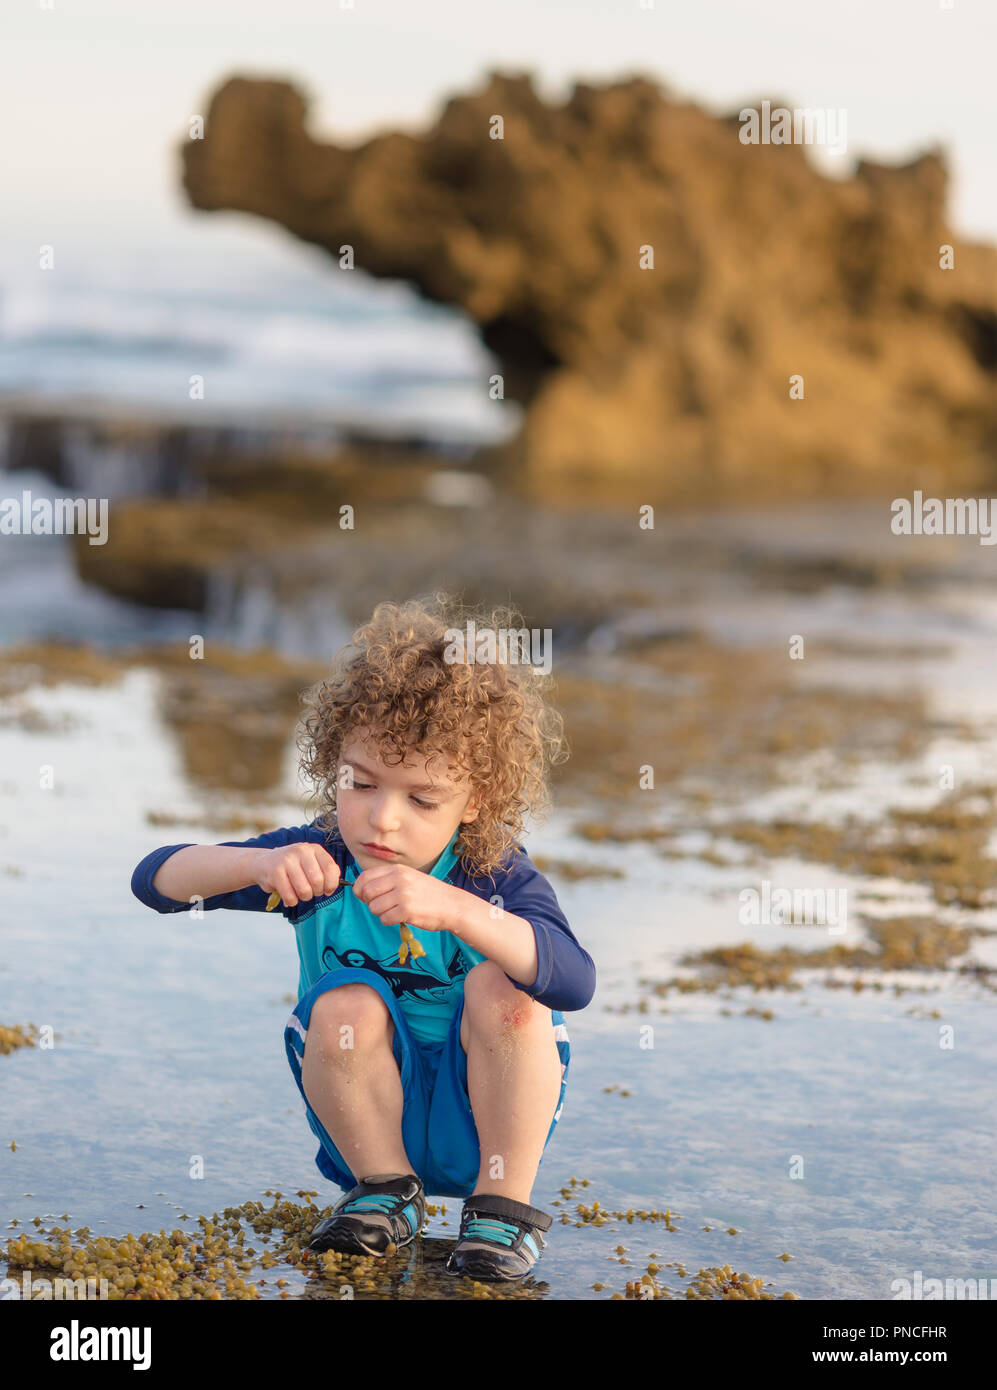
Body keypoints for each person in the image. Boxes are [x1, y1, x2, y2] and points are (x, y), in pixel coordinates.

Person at [131, 594, 596, 1282]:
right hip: (368, 1114)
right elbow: (156, 881)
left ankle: (503, 1211)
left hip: (489, 1114)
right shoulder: (320, 862)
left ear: (479, 801)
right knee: (344, 1000)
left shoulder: (490, 875)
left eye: (422, 799)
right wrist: (258, 865)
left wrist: (463, 914)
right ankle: (384, 1193)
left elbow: (573, 981)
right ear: (332, 766)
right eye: (361, 783)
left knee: (508, 985)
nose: (382, 819)